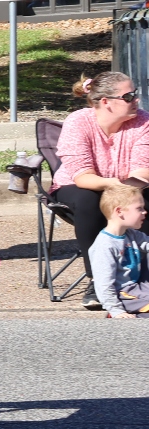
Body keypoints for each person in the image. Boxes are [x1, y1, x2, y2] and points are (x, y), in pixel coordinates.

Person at [51, 71, 149, 309]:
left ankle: (142, 278)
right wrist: (115, 186)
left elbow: (144, 169)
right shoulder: (78, 122)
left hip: (129, 185)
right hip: (76, 186)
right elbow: (83, 177)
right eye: (129, 96)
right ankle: (97, 279)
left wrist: (125, 190)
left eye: (135, 94)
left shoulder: (144, 121)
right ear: (105, 102)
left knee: (143, 199)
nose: (136, 100)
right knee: (88, 199)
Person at [88, 184, 149, 318]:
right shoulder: (105, 245)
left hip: (137, 288)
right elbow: (104, 284)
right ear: (119, 211)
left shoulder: (131, 234)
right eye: (139, 208)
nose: (145, 212)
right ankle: (126, 317)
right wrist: (116, 311)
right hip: (123, 294)